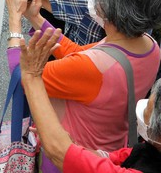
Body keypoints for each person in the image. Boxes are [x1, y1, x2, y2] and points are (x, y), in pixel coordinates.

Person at [5, 0, 161, 171]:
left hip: (70, 157)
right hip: (111, 148)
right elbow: (77, 53)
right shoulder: (149, 45)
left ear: (107, 5)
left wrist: (14, 20)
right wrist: (36, 18)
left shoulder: (91, 67)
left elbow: (23, 75)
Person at [20, 29, 161, 172]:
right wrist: (75, 149)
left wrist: (31, 76)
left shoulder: (95, 65)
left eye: (146, 115)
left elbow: (59, 154)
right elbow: (109, 158)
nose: (141, 114)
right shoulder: (152, 48)